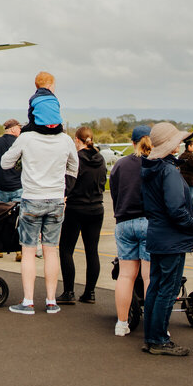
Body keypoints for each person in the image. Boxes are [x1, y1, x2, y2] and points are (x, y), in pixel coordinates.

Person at [1, 115, 78, 315]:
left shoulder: (27, 138)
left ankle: (28, 301)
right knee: (51, 250)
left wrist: (24, 162)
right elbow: (74, 167)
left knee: (28, 251)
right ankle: (51, 301)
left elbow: (5, 163)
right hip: (56, 199)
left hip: (32, 198)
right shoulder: (65, 140)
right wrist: (64, 189)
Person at [140, 122, 193, 356]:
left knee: (156, 286)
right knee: (168, 288)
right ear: (170, 145)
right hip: (171, 237)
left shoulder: (151, 168)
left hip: (157, 233)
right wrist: (192, 222)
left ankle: (152, 336)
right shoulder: (167, 172)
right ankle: (159, 339)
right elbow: (176, 209)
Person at [109, 125, 151, 336]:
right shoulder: (155, 164)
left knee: (126, 276)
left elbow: (114, 193)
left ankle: (122, 323)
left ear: (132, 142)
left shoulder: (120, 164)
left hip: (124, 221)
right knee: (149, 277)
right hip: (149, 222)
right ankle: (153, 327)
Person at [58, 126, 106, 305]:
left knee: (66, 249)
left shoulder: (76, 160)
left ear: (77, 140)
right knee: (92, 251)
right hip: (96, 207)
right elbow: (103, 181)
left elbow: (69, 182)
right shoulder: (100, 159)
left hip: (76, 207)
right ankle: (90, 292)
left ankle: (69, 291)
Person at [0, 119, 23, 260]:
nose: (20, 131)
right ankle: (20, 250)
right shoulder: (20, 143)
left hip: (1, 187)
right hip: (18, 186)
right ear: (13, 129)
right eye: (19, 128)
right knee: (20, 218)